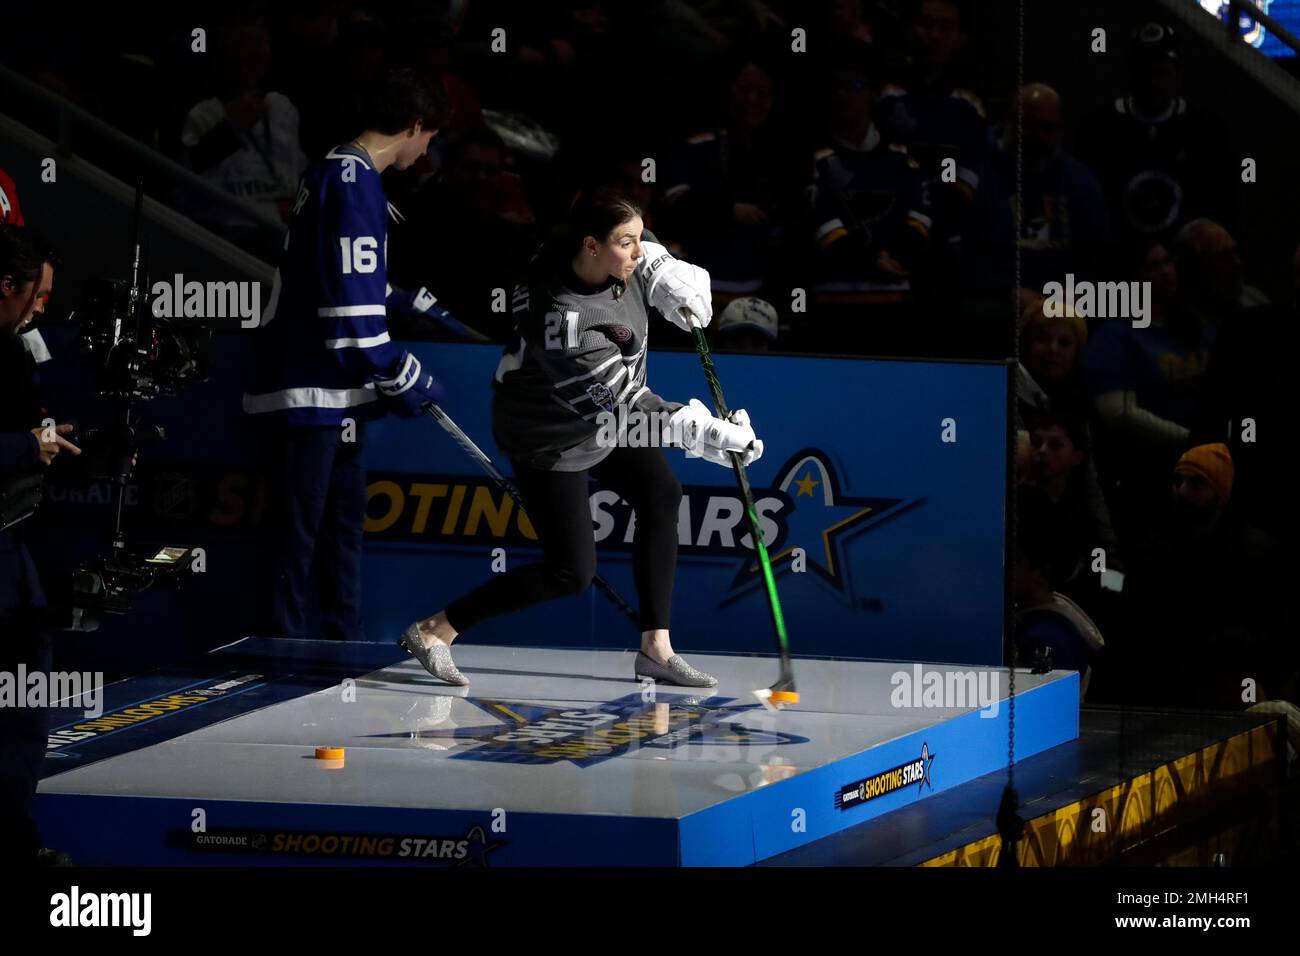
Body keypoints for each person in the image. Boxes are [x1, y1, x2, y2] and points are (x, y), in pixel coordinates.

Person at [399, 189, 763, 688]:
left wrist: (663, 267)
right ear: (590, 246)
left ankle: (656, 647)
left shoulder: (620, 259)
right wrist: (699, 432)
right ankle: (435, 631)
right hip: (550, 434)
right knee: (570, 572)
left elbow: (643, 243)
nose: (638, 252)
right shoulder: (562, 319)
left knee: (661, 493)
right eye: (628, 245)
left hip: (605, 418)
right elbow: (623, 410)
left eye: (640, 241)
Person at [242, 68, 450, 642]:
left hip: (332, 394)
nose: (428, 148)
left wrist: (400, 300)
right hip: (310, 390)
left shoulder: (337, 169)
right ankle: (278, 660)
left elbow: (333, 277)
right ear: (413, 125)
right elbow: (351, 327)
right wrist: (400, 371)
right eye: (429, 135)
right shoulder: (354, 180)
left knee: (336, 532)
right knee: (302, 537)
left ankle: (336, 653)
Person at [0, 225, 79, 865]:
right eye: (35, 296)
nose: (38, 311)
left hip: (11, 552)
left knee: (25, 691)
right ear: (8, 288)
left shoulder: (12, 351)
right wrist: (28, 446)